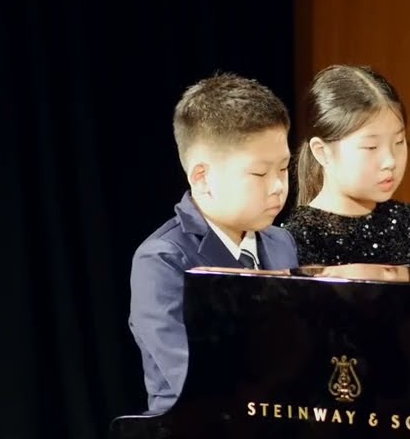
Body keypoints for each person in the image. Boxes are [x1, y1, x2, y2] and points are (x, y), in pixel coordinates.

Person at [128, 72, 298, 414]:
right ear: (202, 178)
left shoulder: (282, 242)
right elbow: (193, 380)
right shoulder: (163, 259)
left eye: (284, 168)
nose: (279, 186)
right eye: (260, 174)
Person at [280, 64, 410, 272]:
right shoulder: (299, 236)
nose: (390, 160)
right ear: (322, 151)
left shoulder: (409, 220)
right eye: (371, 147)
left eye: (399, 142)